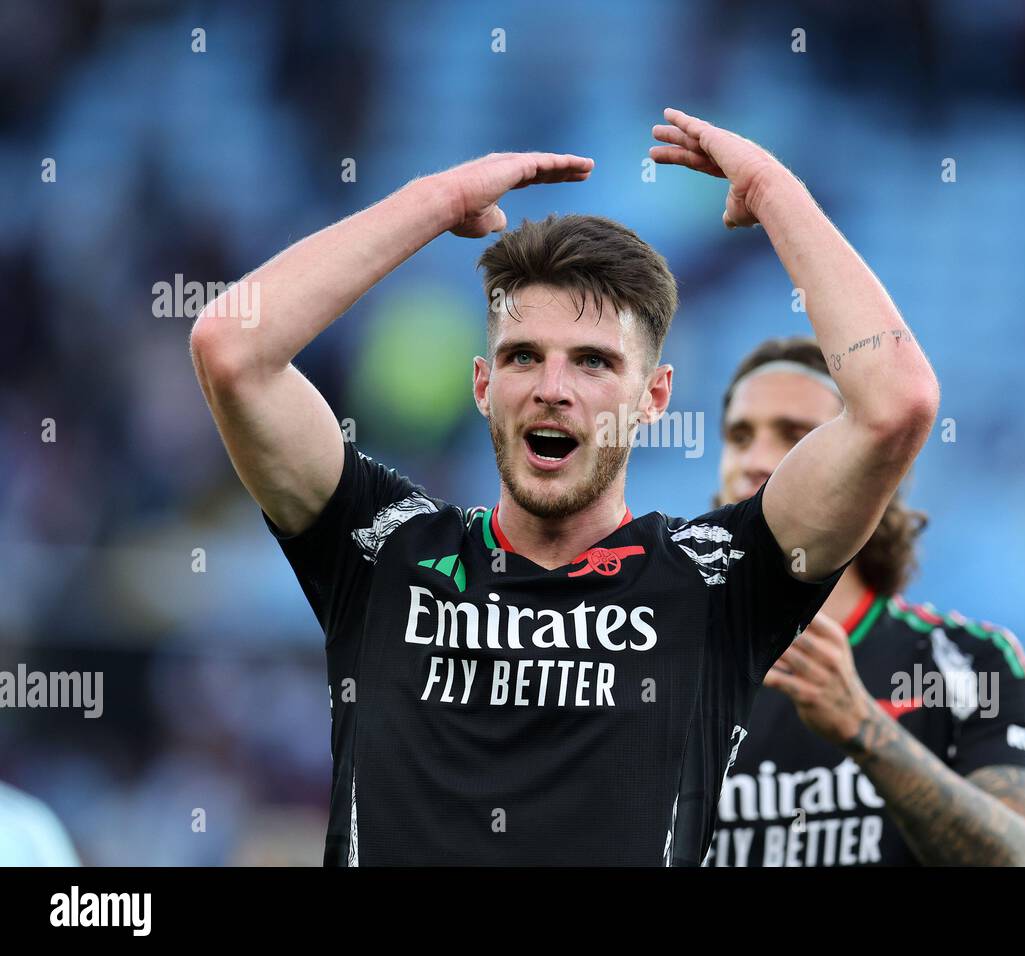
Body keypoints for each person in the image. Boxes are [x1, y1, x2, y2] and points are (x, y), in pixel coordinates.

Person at [189, 109, 939, 865]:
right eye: (522, 357)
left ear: (654, 397)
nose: (551, 388)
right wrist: (436, 203)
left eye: (593, 362)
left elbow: (895, 406)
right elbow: (231, 349)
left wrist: (775, 190)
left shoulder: (714, 581)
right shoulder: (385, 549)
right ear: (482, 386)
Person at [705, 337, 1025, 866]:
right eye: (740, 436)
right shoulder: (660, 661)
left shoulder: (969, 664)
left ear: (873, 468)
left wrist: (860, 726)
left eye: (794, 435)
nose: (754, 461)